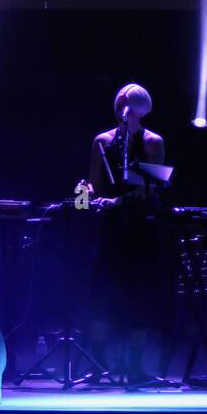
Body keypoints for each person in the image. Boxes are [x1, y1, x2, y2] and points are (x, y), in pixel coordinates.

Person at [85, 84, 170, 386]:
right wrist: (87, 194)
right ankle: (99, 366)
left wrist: (121, 201)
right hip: (110, 228)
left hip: (140, 227)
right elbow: (95, 184)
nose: (127, 114)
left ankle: (135, 367)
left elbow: (153, 185)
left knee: (139, 296)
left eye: (133, 110)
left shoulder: (153, 142)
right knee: (103, 294)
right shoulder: (102, 141)